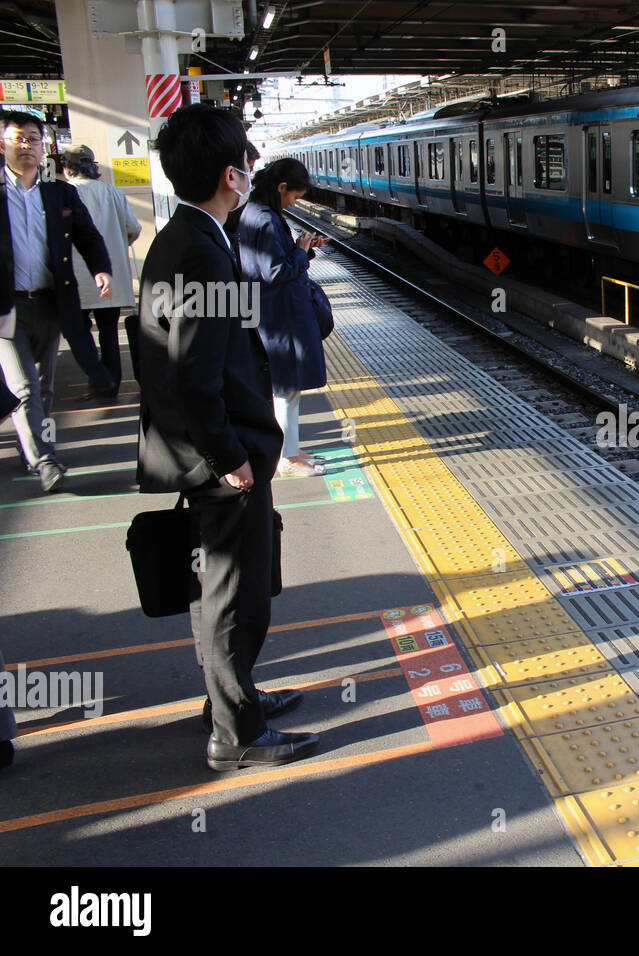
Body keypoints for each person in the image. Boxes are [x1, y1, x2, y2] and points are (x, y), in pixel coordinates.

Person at [135, 103, 317, 771]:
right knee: (233, 597)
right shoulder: (201, 252)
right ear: (230, 175)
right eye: (244, 162)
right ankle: (235, 734)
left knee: (226, 589)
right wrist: (229, 457)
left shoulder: (191, 235)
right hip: (221, 458)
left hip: (212, 451)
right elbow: (193, 373)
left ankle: (233, 702)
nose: (249, 172)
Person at [0, 111, 113, 492]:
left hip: (50, 302)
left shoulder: (60, 194)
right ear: (3, 145)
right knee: (26, 386)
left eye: (33, 138)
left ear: (43, 148)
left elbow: (88, 236)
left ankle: (32, 444)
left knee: (45, 386)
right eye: (18, 138)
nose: (26, 145)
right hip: (6, 308)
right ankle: (45, 461)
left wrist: (102, 269)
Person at [236, 156, 329, 478]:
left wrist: (303, 248)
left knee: (288, 390)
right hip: (278, 316)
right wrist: (301, 252)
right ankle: (286, 458)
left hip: (276, 313)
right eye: (293, 196)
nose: (292, 203)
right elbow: (275, 271)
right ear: (281, 187)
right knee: (285, 389)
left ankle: (292, 449)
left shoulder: (259, 213)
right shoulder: (264, 218)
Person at [64, 145, 141, 398]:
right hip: (111, 273)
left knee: (78, 330)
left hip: (76, 275)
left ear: (66, 168)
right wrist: (119, 243)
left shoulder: (65, 193)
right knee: (109, 331)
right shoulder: (113, 192)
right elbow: (134, 228)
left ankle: (97, 377)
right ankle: (111, 384)